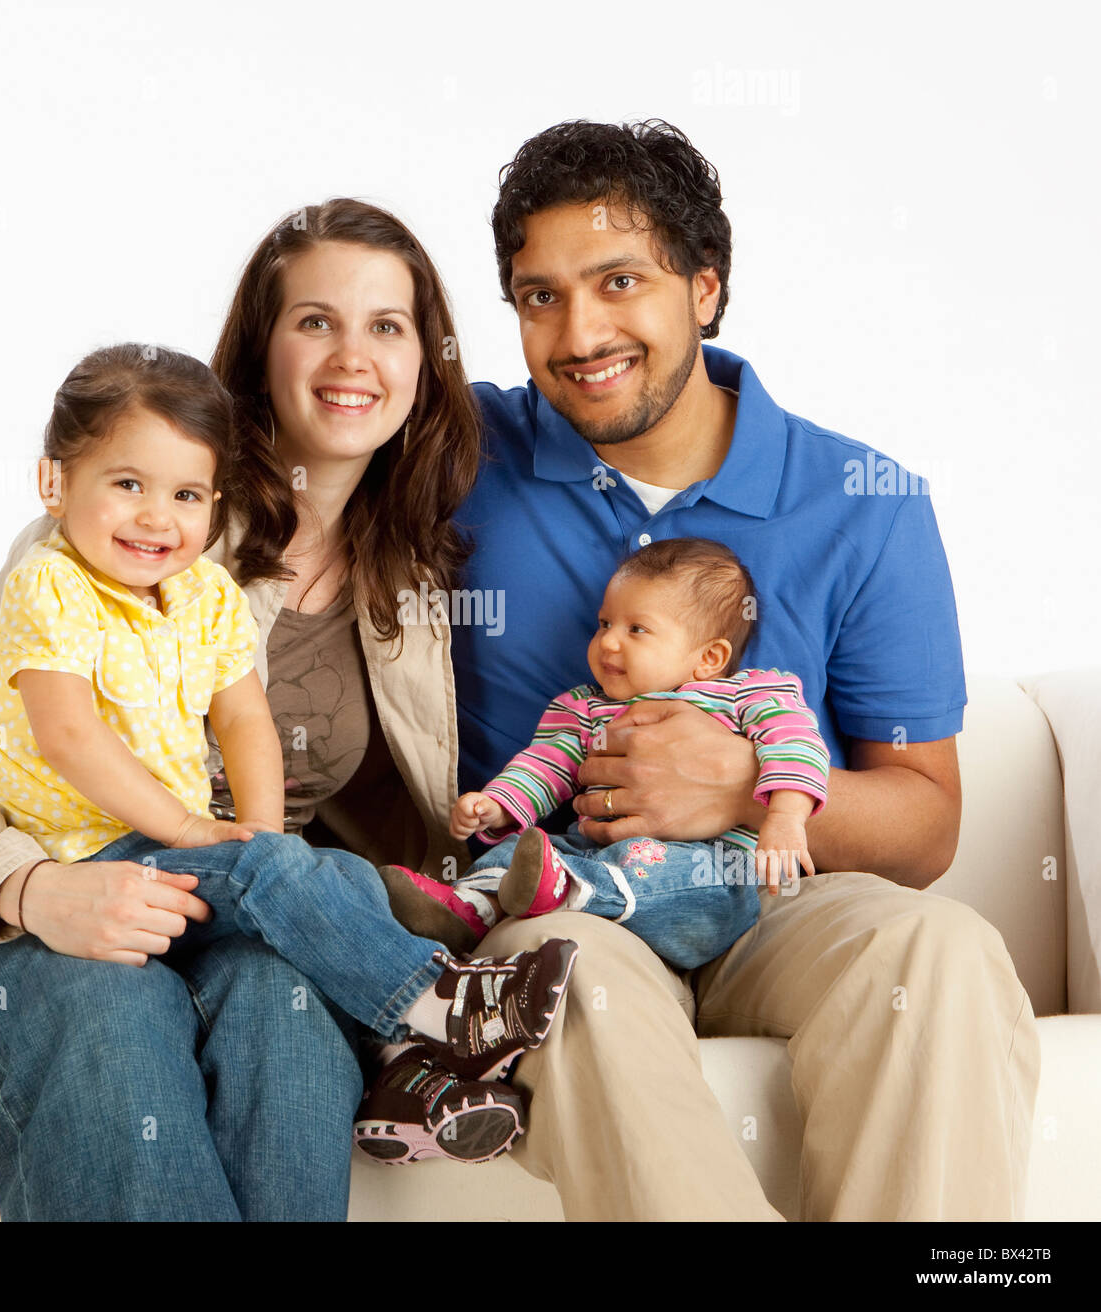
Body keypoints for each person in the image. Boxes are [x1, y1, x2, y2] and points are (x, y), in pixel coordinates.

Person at [0, 198, 535, 1218]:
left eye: (386, 326)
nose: (352, 354)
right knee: (110, 999)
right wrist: (39, 889)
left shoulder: (412, 581)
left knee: (286, 1005)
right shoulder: (111, 543)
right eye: (315, 320)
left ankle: (423, 1015)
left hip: (229, 913)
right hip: (12, 919)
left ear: (422, 358)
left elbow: (360, 830)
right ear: (259, 347)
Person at [439, 119, 1040, 1221]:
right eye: (539, 296)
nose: (580, 332)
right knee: (568, 978)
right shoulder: (451, 458)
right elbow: (245, 447)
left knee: (941, 949)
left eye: (620, 281)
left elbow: (924, 823)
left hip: (771, 898)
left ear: (704, 289)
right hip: (563, 896)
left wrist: (738, 789)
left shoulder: (863, 499)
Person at [0, 342, 577, 1070]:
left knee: (349, 880)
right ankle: (447, 1009)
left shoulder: (206, 594)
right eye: (128, 483)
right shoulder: (49, 582)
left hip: (169, 850)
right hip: (81, 854)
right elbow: (68, 734)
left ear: (216, 503)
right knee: (277, 875)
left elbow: (243, 720)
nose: (156, 518)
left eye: (186, 495)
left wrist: (263, 834)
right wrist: (190, 827)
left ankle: (406, 1063)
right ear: (53, 483)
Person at [377, 536, 827, 964]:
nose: (609, 641)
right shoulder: (585, 706)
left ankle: (569, 889)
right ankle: (470, 905)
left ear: (708, 658)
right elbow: (546, 762)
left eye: (637, 629)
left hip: (708, 866)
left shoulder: (751, 696)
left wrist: (785, 819)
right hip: (591, 849)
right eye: (605, 623)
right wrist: (498, 804)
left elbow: (796, 746)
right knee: (529, 848)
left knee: (703, 882)